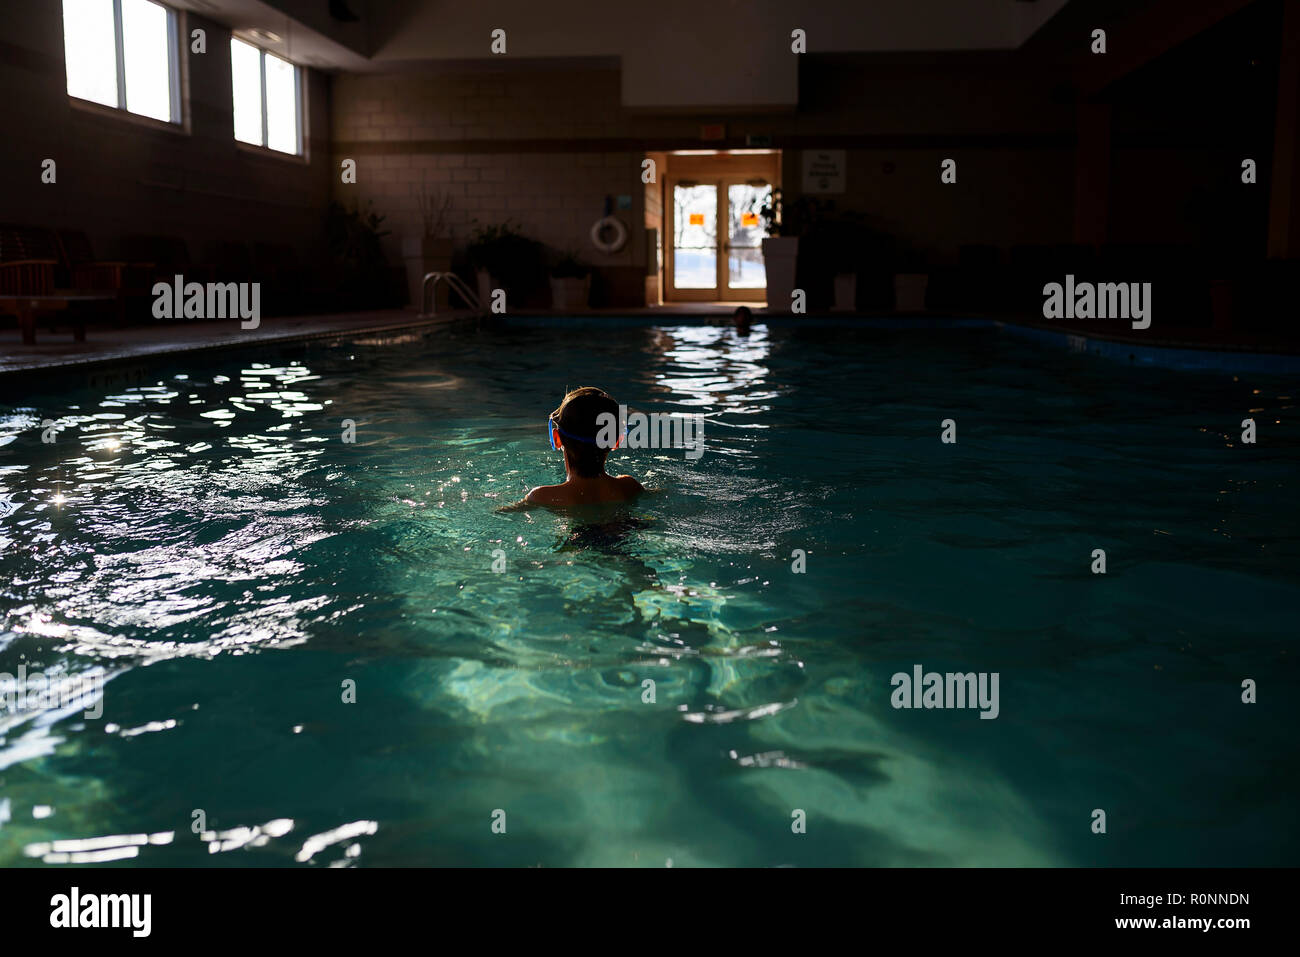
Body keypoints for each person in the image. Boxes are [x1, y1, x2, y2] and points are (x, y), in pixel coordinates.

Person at [502, 387, 645, 510]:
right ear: (616, 442)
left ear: (556, 439)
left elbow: (503, 512)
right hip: (623, 532)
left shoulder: (542, 496)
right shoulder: (629, 487)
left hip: (578, 541)